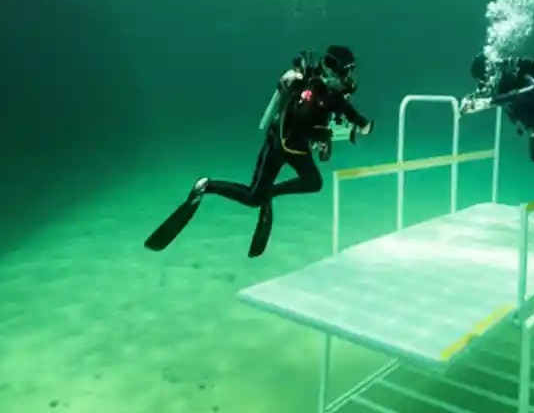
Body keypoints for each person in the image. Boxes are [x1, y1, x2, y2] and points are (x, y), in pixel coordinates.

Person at [144, 45, 375, 258]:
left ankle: (270, 193)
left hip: (298, 149)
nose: (350, 76)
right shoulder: (308, 88)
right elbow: (303, 121)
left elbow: (342, 109)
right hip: (278, 146)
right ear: (335, 69)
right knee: (254, 198)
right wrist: (326, 135)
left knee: (313, 182)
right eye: (348, 70)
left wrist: (352, 127)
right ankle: (206, 186)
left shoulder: (330, 94)